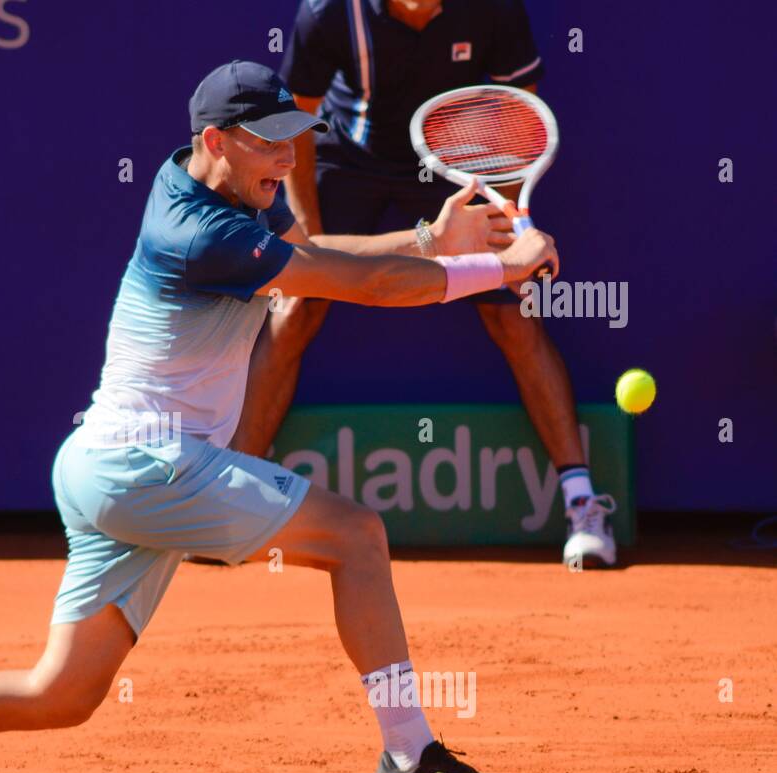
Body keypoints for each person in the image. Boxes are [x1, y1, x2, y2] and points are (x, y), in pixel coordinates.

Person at [0, 61, 557, 773]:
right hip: (147, 464)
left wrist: (425, 240)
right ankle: (411, 758)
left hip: (103, 464)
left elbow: (317, 255)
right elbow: (354, 283)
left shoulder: (191, 185)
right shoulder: (208, 236)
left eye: (293, 141)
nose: (285, 160)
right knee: (357, 535)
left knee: (63, 692)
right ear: (215, 141)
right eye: (268, 146)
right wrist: (498, 268)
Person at [231, 0, 616, 566]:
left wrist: (511, 226)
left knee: (512, 315)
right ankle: (236, 503)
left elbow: (519, 116)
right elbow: (298, 123)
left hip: (454, 165)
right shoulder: (328, 12)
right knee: (294, 308)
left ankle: (583, 502)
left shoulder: (496, 10)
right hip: (349, 158)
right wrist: (308, 240)